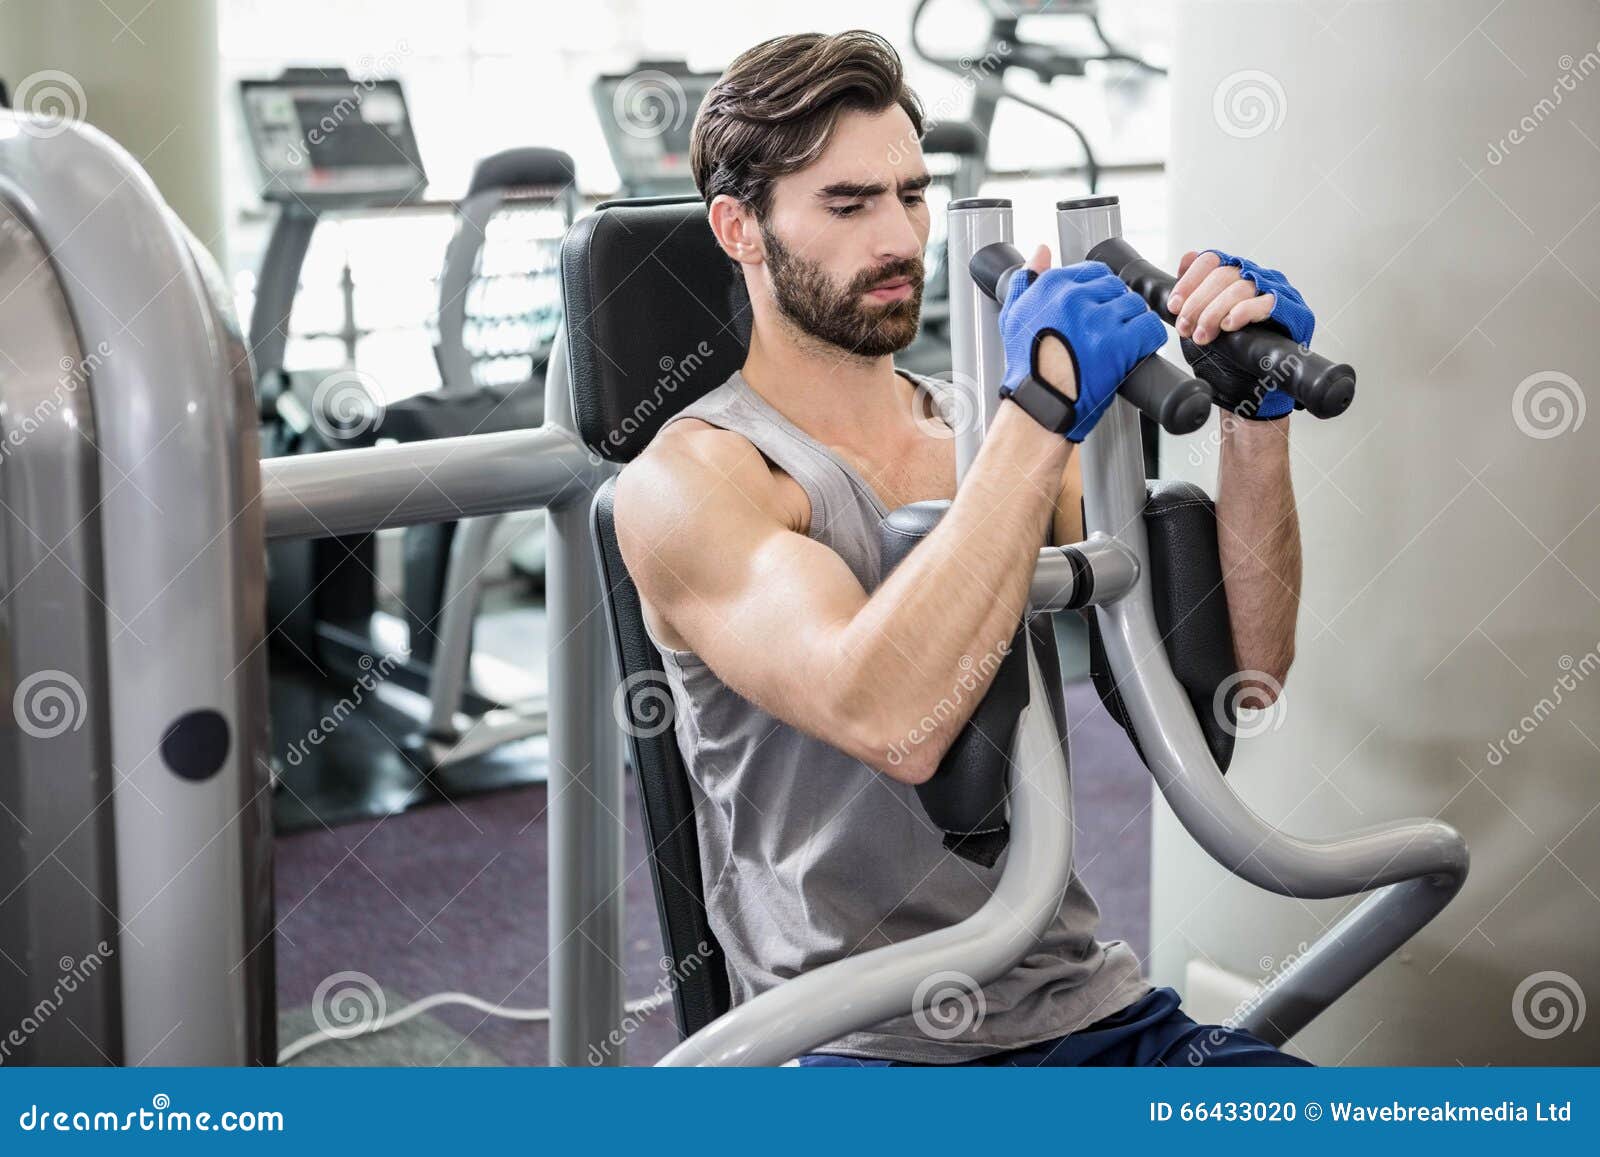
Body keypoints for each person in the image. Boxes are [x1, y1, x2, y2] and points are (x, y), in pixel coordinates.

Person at [614, 29, 1312, 1067]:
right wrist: (1039, 410)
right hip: (849, 1044)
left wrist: (1253, 423)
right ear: (739, 228)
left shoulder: (980, 437)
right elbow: (890, 717)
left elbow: (1244, 676)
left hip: (1090, 1010)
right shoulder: (699, 478)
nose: (896, 236)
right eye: (847, 206)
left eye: (910, 193)